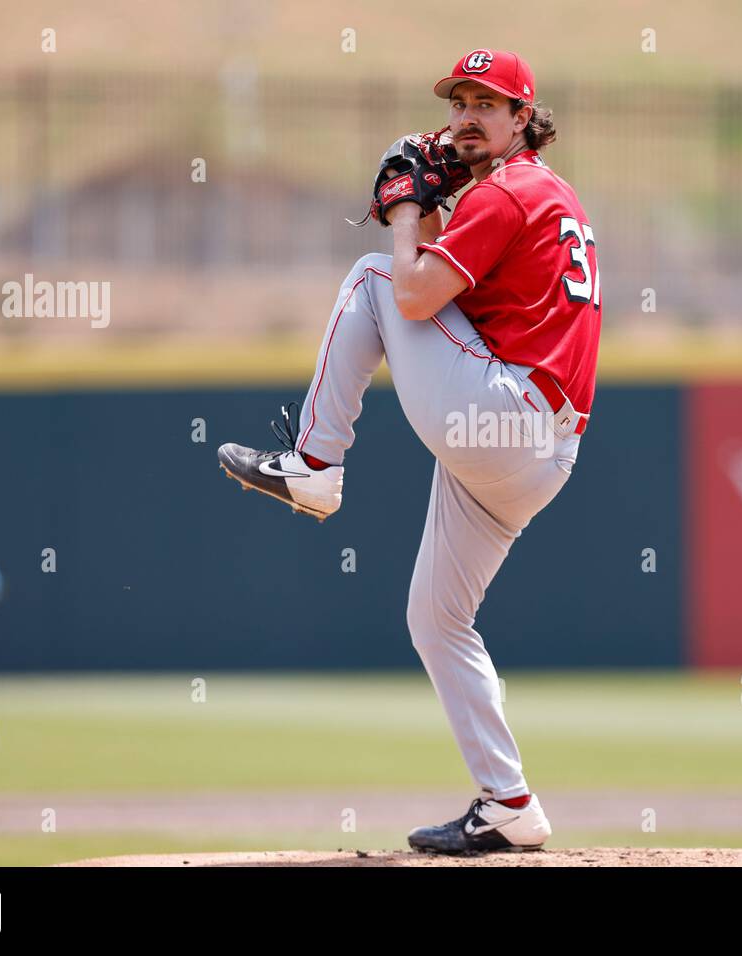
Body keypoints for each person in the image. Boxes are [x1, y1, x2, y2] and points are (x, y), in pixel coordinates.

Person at [218, 49, 600, 854]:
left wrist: (399, 209)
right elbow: (435, 280)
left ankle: (315, 468)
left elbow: (413, 290)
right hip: (539, 451)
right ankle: (509, 804)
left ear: (523, 119)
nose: (466, 115)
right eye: (459, 100)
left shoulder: (503, 191)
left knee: (368, 279)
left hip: (506, 415)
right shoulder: (542, 194)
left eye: (486, 104)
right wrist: (421, 209)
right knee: (436, 619)